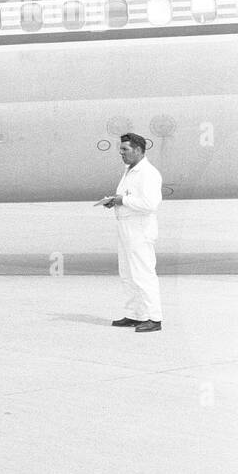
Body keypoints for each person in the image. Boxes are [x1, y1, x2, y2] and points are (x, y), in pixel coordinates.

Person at [99, 132, 162, 333]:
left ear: (138, 150)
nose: (121, 153)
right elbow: (129, 197)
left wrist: (122, 201)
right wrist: (115, 201)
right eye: (121, 150)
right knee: (127, 273)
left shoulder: (148, 173)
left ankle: (154, 318)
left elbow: (150, 204)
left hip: (140, 229)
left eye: (125, 149)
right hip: (127, 227)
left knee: (143, 274)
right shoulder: (130, 170)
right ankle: (136, 314)